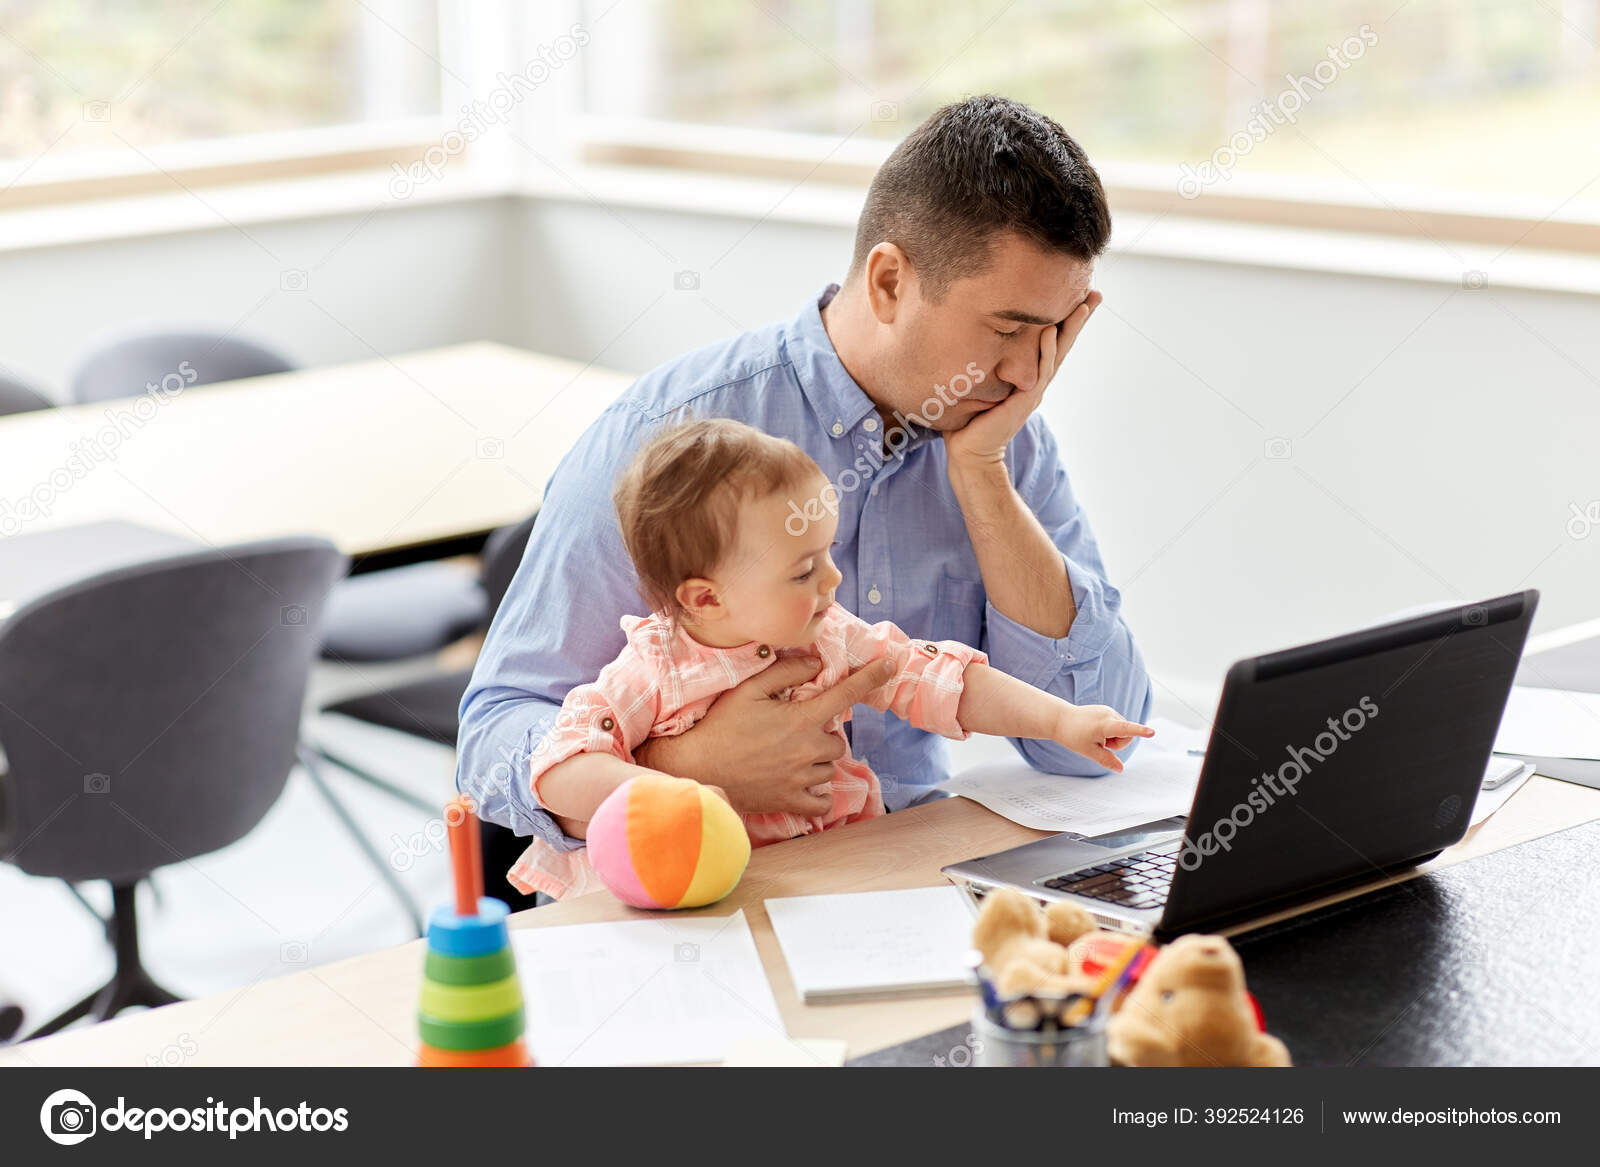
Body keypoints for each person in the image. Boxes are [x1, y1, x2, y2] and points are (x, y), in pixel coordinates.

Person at [457, 94, 1153, 872]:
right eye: (1008, 330)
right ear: (889, 282)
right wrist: (687, 768)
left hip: (909, 874)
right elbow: (490, 741)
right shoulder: (667, 438)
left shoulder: (1004, 435)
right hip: (707, 893)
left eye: (1056, 332)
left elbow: (1096, 751)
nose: (1032, 372)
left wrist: (984, 477)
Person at [505, 419, 1152, 899]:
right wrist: (680, 790)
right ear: (707, 597)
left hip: (826, 878)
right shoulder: (651, 670)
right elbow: (560, 768)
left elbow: (943, 678)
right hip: (695, 895)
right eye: (804, 569)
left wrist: (1062, 721)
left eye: (830, 553)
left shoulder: (828, 636)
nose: (834, 581)